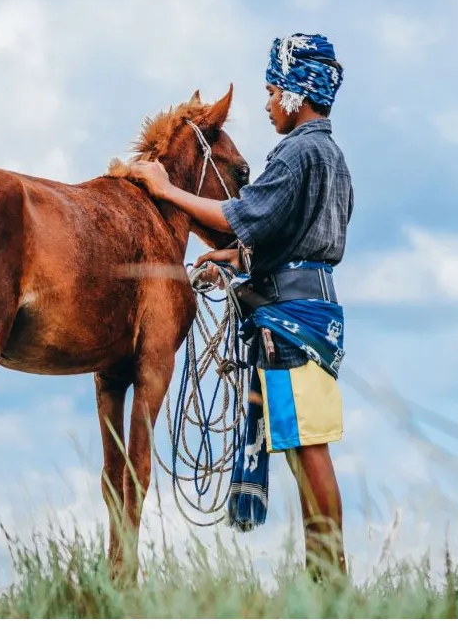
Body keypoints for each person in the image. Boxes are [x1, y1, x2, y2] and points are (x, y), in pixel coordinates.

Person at [128, 33, 353, 581]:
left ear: (297, 95)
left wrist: (165, 188)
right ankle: (327, 577)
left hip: (289, 317)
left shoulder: (299, 152)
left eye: (274, 90)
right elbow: (289, 237)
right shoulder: (332, 156)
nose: (269, 102)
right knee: (306, 447)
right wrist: (235, 258)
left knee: (307, 449)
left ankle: (331, 582)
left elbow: (238, 213)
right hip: (311, 308)